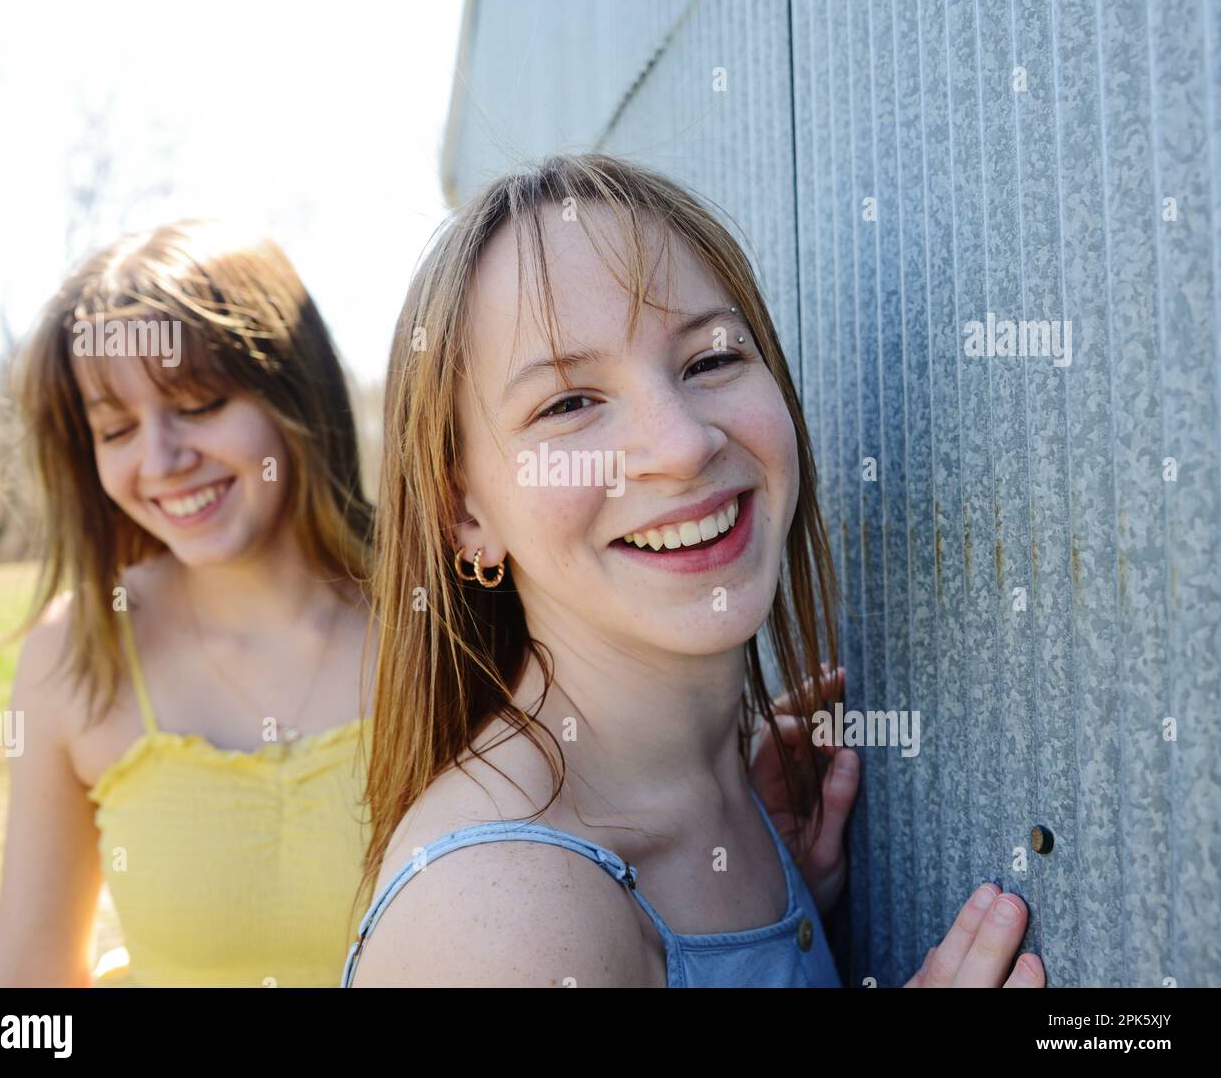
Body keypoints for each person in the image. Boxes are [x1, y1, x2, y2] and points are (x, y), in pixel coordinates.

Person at [344, 154, 1046, 987]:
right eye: (568, 404)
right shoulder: (499, 916)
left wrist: (764, 891)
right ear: (467, 515)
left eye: (711, 360)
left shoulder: (732, 808)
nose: (681, 445)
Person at [0, 220, 377, 987]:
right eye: (118, 428)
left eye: (197, 406)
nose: (160, 461)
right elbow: (28, 979)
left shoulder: (450, 619)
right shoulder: (74, 652)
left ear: (293, 389)